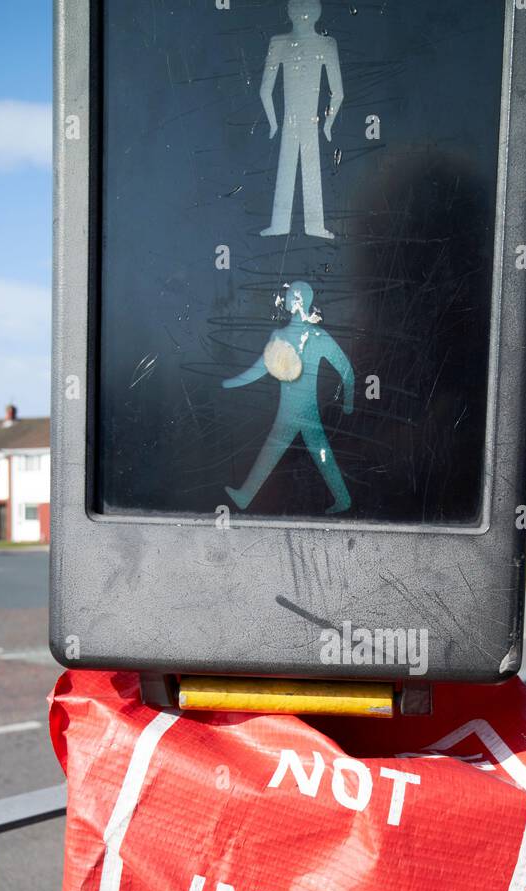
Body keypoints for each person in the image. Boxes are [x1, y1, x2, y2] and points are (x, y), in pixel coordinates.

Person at [222, 282, 354, 514]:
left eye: (291, 295)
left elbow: (346, 370)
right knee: (294, 452)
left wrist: (349, 402)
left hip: (304, 411)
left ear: (300, 300)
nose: (287, 299)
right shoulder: (282, 336)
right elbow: (260, 368)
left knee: (311, 453)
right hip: (292, 411)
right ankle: (245, 496)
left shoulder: (317, 336)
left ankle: (245, 496)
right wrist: (232, 382)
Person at [259, 1, 343, 240]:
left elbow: (265, 90)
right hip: (308, 119)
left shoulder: (281, 43)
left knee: (289, 170)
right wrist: (328, 123)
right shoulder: (326, 44)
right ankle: (309, 226)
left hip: (291, 119)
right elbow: (338, 93)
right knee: (309, 169)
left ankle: (283, 224)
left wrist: (274, 123)